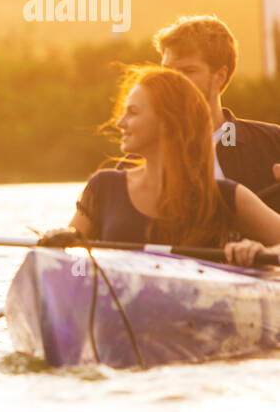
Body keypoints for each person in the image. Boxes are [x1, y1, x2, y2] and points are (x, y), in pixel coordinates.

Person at [40, 66, 280, 266]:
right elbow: (65, 262)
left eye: (133, 113)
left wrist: (261, 251)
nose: (120, 123)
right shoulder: (103, 187)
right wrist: (55, 243)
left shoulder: (226, 196)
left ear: (168, 122)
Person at [154, 15, 280, 208]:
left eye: (187, 71)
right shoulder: (141, 157)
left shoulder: (272, 145)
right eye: (167, 71)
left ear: (220, 76)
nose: (173, 81)